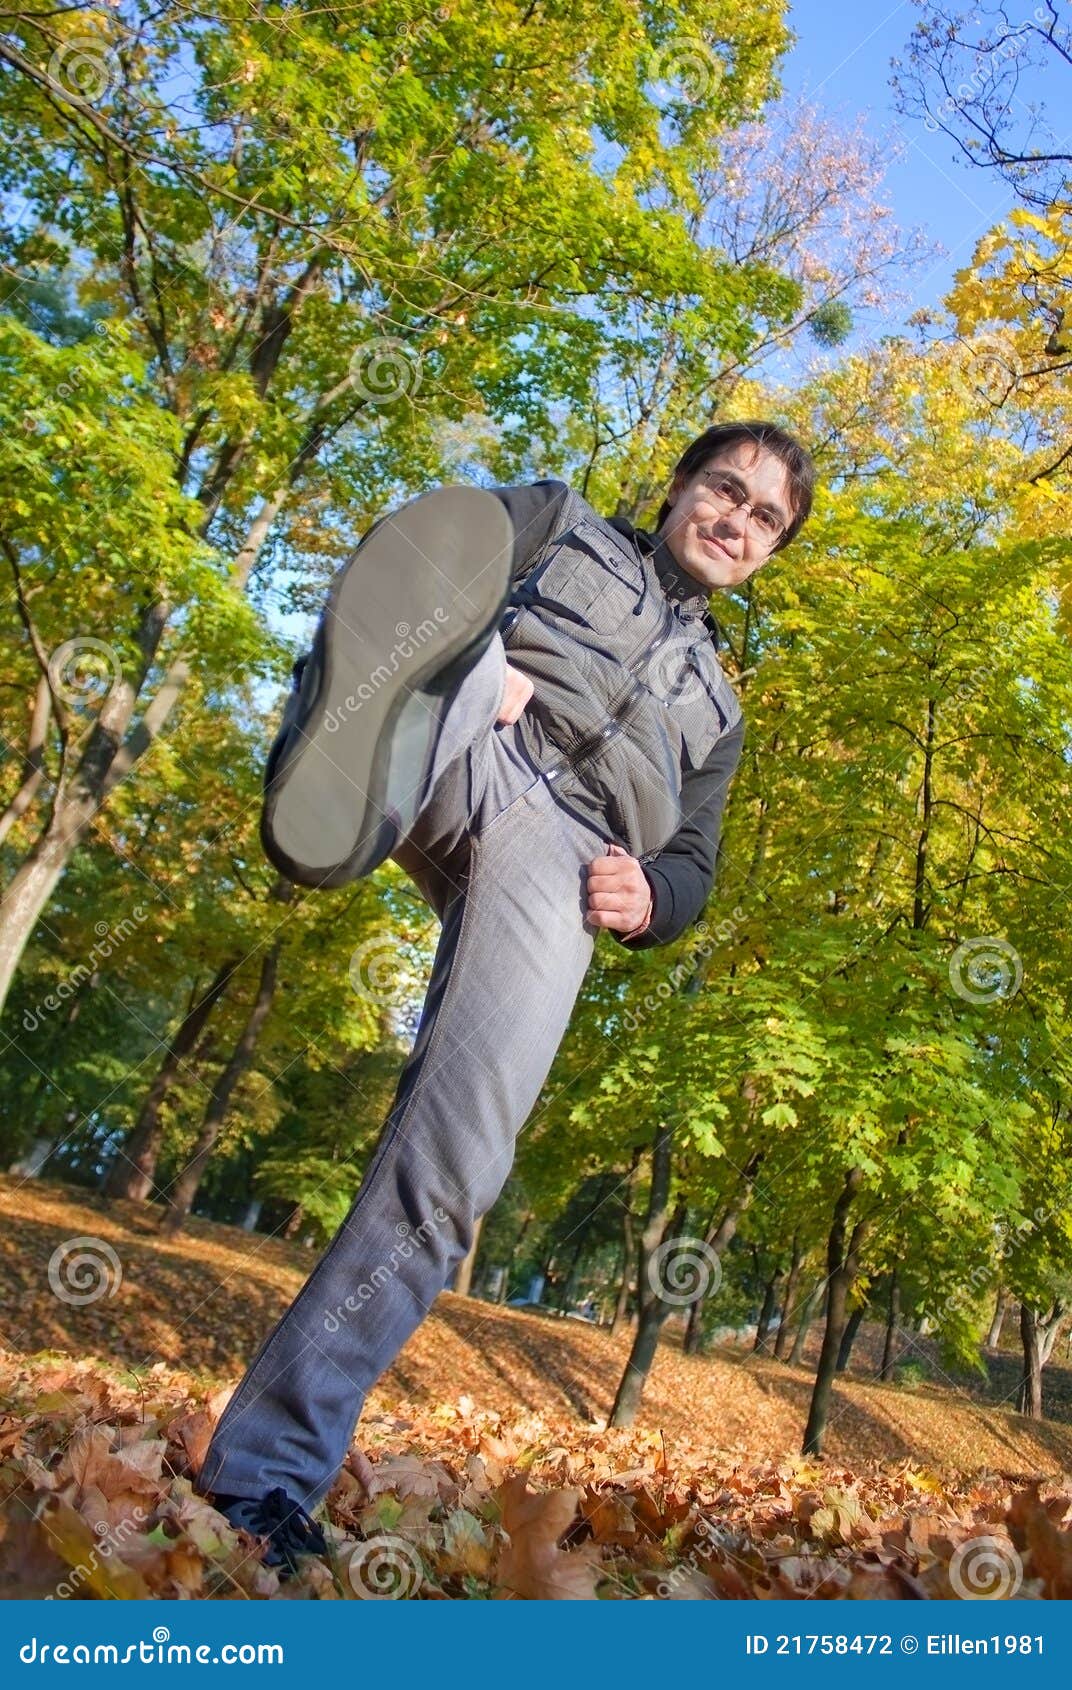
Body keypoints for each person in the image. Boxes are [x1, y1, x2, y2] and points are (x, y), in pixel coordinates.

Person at [195, 419, 816, 1575]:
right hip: (477, 728)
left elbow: (695, 865)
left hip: (570, 861)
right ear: (677, 487)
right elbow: (441, 550)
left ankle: (262, 1479)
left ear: (771, 548)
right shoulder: (564, 521)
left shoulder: (720, 716)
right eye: (721, 488)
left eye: (763, 515)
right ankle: (355, 739)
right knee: (451, 638)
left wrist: (653, 897)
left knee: (455, 1174)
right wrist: (472, 644)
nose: (734, 517)